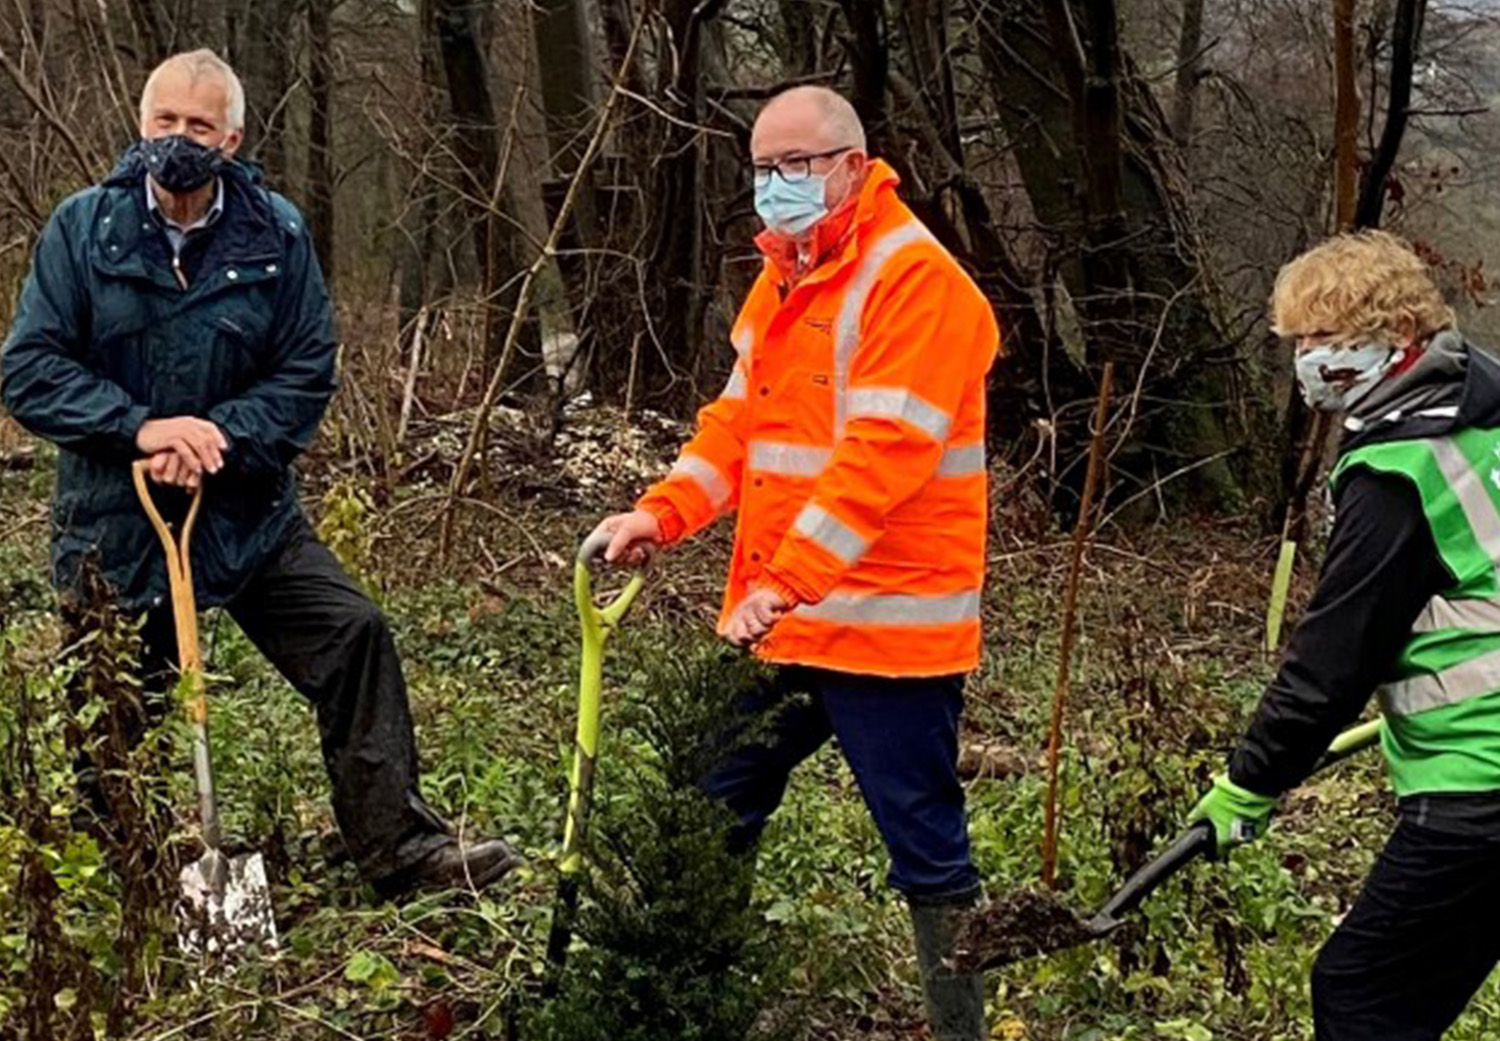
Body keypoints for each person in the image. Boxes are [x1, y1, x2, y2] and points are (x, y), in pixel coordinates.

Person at [0, 49, 518, 899]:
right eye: (165, 121)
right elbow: (31, 370)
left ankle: (399, 848)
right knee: (114, 722)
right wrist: (140, 427)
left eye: (199, 126)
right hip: (116, 522)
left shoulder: (274, 235)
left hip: (247, 516)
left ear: (232, 137)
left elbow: (306, 372)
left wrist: (217, 437)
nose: (179, 140)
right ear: (141, 124)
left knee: (353, 635)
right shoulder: (82, 230)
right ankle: (118, 891)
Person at [588, 86, 1000, 1040]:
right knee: (709, 803)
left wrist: (785, 579)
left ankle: (961, 1026)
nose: (776, 185)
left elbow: (881, 457)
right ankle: (692, 1005)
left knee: (926, 852)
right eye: (764, 167)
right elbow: (738, 424)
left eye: (797, 165)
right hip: (786, 619)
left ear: (855, 166)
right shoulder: (785, 277)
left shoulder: (917, 283)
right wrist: (664, 511)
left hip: (888, 629)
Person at [1188, 230, 1500, 1040]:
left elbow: (1332, 661)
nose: (1308, 359)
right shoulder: (1485, 404)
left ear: (1396, 332)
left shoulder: (1402, 469)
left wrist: (1248, 783)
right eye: (1300, 341)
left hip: (1479, 785)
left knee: (1362, 992)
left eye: (1325, 339)